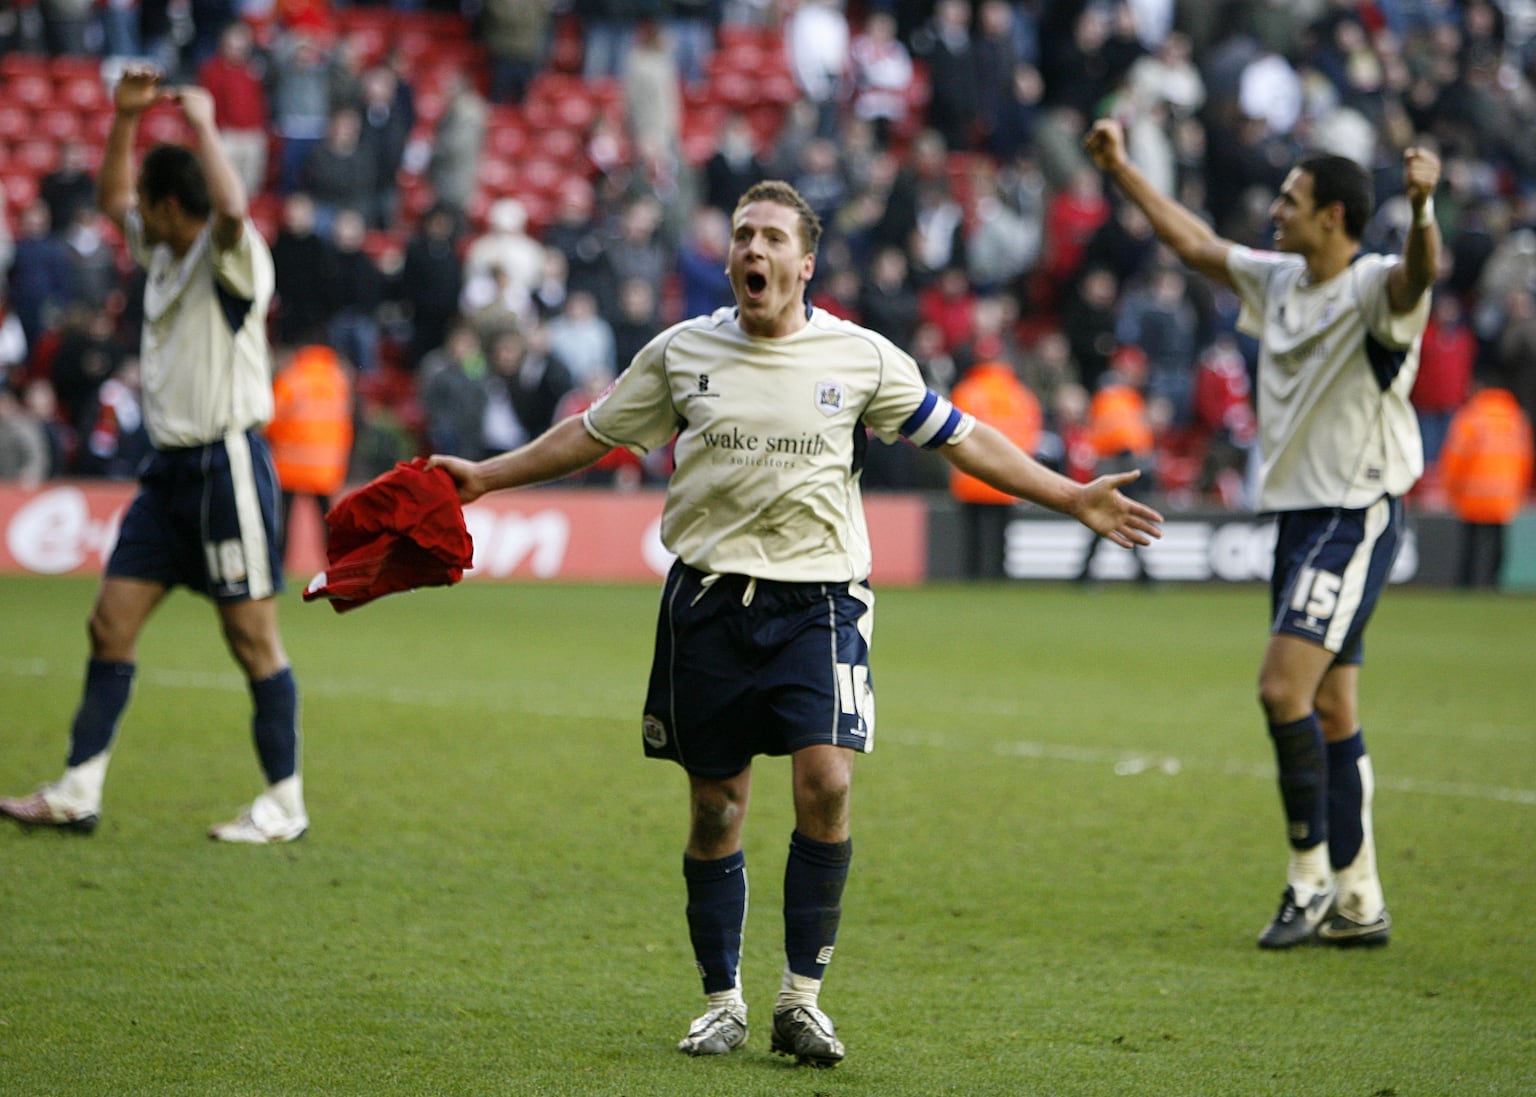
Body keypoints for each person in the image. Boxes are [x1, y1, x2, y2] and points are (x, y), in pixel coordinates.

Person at [426, 180, 1163, 1066]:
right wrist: (485, 476)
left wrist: (1069, 493)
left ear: (804, 263)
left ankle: (801, 998)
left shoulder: (862, 359)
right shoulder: (680, 353)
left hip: (819, 603)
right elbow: (591, 433)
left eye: (772, 237)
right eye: (743, 235)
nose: (754, 251)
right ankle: (722, 998)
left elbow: (962, 437)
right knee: (716, 806)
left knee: (830, 783)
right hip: (706, 603)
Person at [1085, 118, 1442, 948]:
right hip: (1298, 517)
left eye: (1292, 199)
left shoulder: (1376, 285)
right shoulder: (1280, 280)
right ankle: (1360, 899)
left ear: (1335, 218)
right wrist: (1123, 168)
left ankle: (1309, 875)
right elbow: (1197, 244)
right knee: (1332, 703)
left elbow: (1418, 277)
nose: (1275, 209)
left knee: (1282, 688)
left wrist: (1422, 210)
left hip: (1353, 515)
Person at [0, 65, 308, 844]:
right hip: (167, 469)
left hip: (226, 466)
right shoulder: (165, 249)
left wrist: (203, 122)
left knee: (251, 639)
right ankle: (76, 789)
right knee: (110, 622)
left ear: (173, 206)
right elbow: (110, 198)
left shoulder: (232, 252)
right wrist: (126, 118)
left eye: (148, 201)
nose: (132, 213)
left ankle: (284, 803)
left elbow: (232, 206)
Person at [1437, 367, 1535, 588]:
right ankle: (1493, 585)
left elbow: (1454, 457)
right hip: (1504, 495)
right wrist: (1518, 490)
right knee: (1497, 542)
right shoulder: (1517, 418)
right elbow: (1526, 457)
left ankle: (1467, 584)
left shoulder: (1471, 417)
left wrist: (1450, 488)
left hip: (1472, 493)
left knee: (1471, 544)